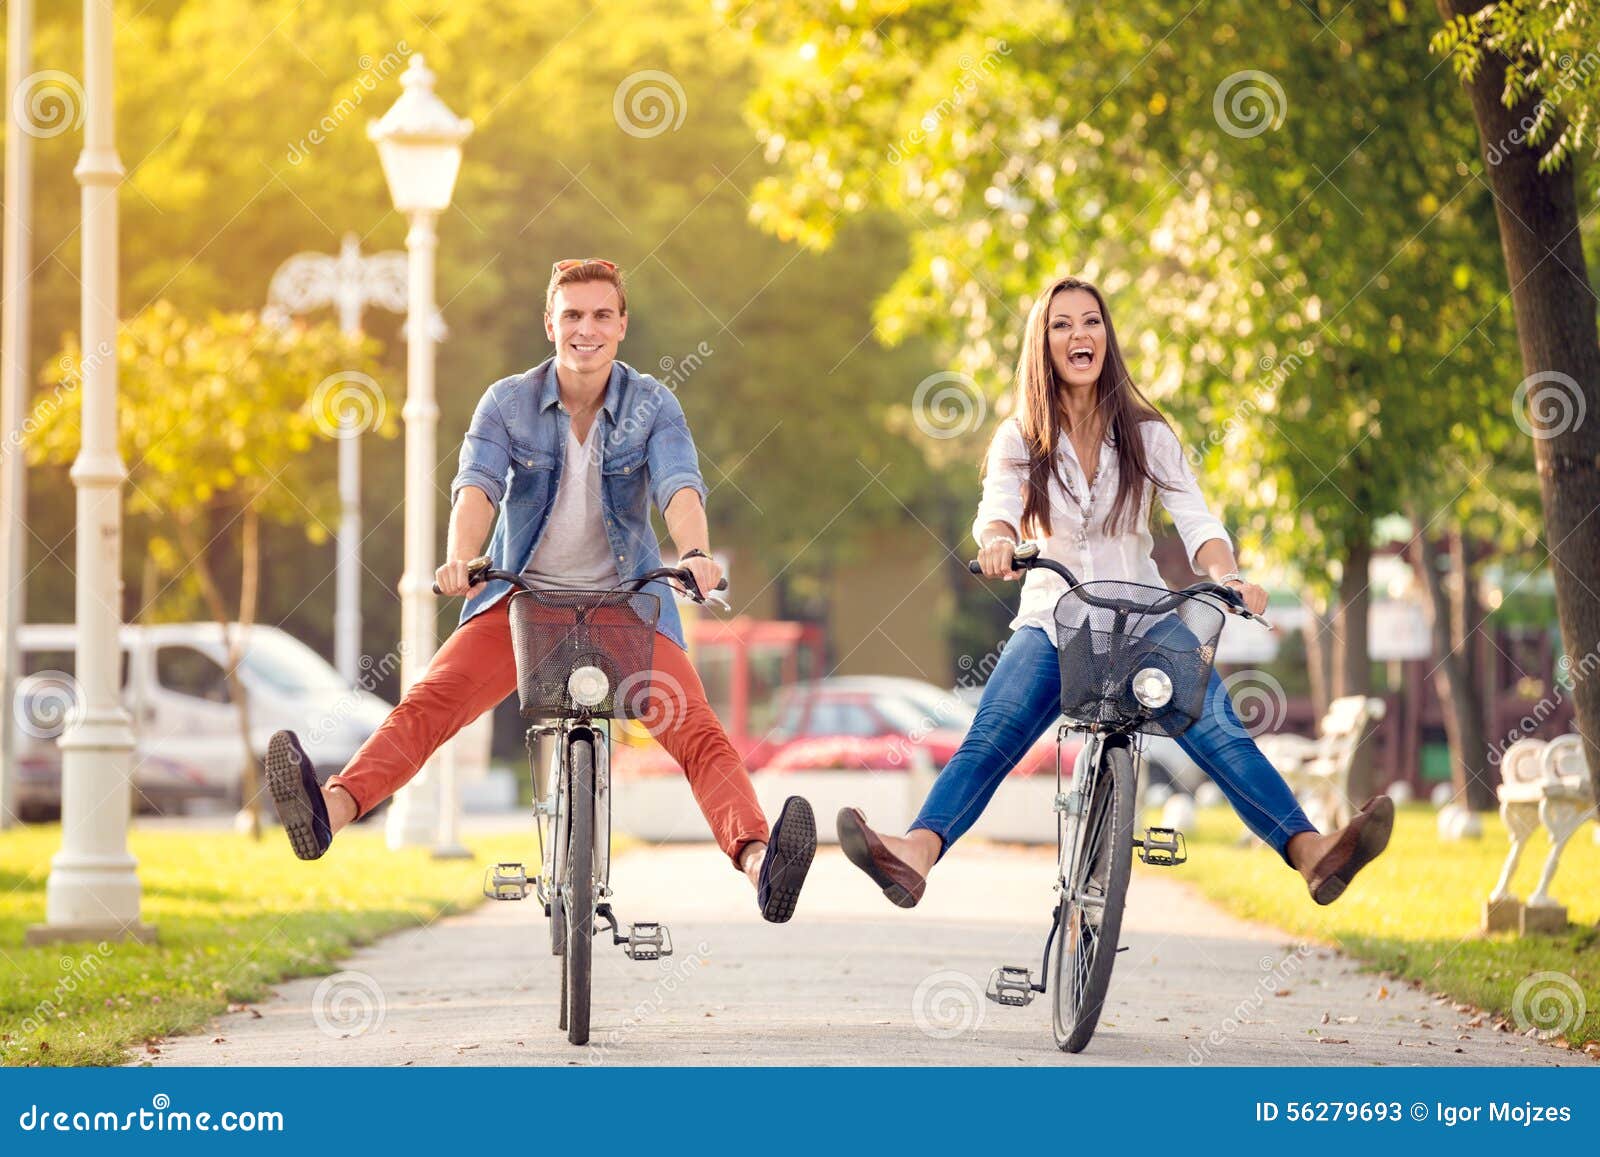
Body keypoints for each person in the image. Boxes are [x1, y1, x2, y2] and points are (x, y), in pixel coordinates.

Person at [265, 258, 816, 923]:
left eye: (602, 315)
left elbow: (679, 485)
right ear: (550, 322)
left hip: (625, 605)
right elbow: (477, 485)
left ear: (622, 325)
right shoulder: (508, 402)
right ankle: (329, 811)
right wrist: (459, 558)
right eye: (573, 315)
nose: (587, 328)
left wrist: (694, 553)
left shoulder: (652, 404)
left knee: (698, 731)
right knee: (430, 703)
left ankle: (762, 865)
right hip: (521, 602)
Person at [837, 274, 1392, 909]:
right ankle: (914, 856)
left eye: (1092, 321)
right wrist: (997, 542)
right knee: (992, 733)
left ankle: (1311, 853)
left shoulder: (1148, 433)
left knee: (1218, 729)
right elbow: (997, 512)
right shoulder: (1020, 438)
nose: (1081, 334)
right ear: (1042, 344)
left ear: (1108, 336)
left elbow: (1199, 522)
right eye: (1063, 324)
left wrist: (1227, 576)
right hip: (1055, 618)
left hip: (1146, 619)